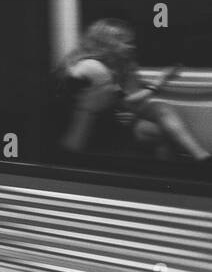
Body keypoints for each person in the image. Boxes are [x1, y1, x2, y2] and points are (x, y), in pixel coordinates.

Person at [55, 18, 210, 164]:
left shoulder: (126, 64)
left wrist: (133, 106)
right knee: (159, 113)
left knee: (160, 126)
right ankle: (200, 159)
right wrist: (159, 82)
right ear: (107, 44)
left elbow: (130, 97)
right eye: (126, 43)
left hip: (113, 117)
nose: (132, 46)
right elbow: (124, 101)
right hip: (95, 125)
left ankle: (182, 168)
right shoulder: (91, 67)